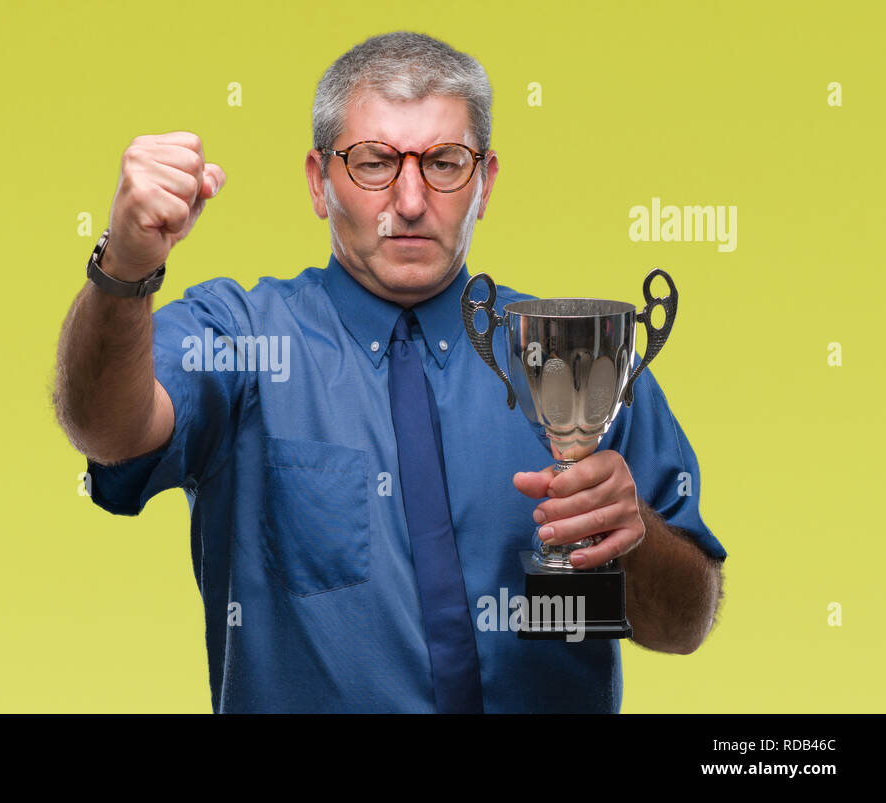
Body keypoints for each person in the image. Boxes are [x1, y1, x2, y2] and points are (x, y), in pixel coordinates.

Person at [53, 30, 726, 713]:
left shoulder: (575, 350)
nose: (409, 200)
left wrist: (631, 533)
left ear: (485, 181)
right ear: (319, 182)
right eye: (374, 163)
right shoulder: (244, 335)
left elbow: (686, 622)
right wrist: (125, 270)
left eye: (443, 162)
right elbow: (109, 429)